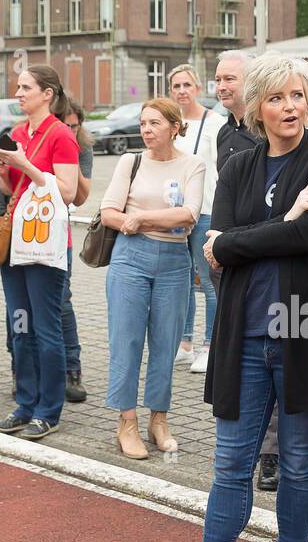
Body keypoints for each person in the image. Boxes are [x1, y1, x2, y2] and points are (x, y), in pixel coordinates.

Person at [137, 53, 308, 542]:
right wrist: (278, 223)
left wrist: (240, 240)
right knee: (231, 463)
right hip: (245, 330)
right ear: (257, 106)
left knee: (299, 461)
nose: (289, 107)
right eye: (276, 97)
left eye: (298, 96)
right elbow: (214, 249)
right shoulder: (238, 164)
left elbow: (299, 237)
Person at [99, 98, 205, 458]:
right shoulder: (131, 161)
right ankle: (126, 421)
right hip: (130, 257)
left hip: (175, 261)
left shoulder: (193, 164)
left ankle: (158, 419)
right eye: (143, 123)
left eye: (155, 123)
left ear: (174, 127)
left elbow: (189, 214)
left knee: (165, 344)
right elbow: (109, 212)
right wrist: (140, 221)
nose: (146, 130)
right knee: (126, 340)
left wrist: (141, 218)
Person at [0, 66, 79, 441]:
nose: (18, 92)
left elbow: (69, 191)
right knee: (20, 325)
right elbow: (13, 191)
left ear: (48, 93)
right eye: (18, 86)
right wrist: (2, 172)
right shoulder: (17, 133)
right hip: (17, 240)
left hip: (45, 244)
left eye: (26, 87)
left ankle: (48, 410)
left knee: (45, 327)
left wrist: (23, 163)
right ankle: (25, 404)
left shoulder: (60, 134)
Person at [214, 50, 281, 492]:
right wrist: (219, 244)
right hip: (233, 268)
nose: (221, 86)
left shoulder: (274, 135)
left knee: (276, 351)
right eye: (217, 79)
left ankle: (272, 453)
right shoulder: (224, 135)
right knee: (244, 357)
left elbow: (280, 224)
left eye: (229, 78)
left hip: (271, 270)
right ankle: (248, 441)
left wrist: (232, 243)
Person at [169, 63, 224, 374]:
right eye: (176, 86)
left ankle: (209, 344)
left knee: (208, 281)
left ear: (198, 88)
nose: (181, 91)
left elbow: (220, 169)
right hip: (178, 211)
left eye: (186, 85)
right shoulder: (172, 123)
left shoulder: (214, 122)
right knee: (184, 279)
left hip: (205, 209)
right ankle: (185, 344)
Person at [60, 98, 93, 403]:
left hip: (58, 231)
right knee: (22, 306)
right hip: (23, 230)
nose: (71, 130)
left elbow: (80, 197)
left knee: (62, 299)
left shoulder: (83, 148)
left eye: (75, 125)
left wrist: (71, 153)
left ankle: (72, 369)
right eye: (65, 125)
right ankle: (23, 371)